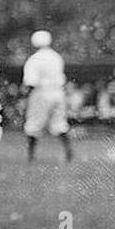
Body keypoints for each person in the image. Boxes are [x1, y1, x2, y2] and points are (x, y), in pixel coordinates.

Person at [21, 29, 72, 162]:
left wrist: (25, 95)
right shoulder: (56, 56)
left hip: (41, 92)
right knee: (59, 123)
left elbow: (31, 81)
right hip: (58, 92)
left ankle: (30, 157)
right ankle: (68, 152)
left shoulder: (34, 59)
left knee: (33, 124)